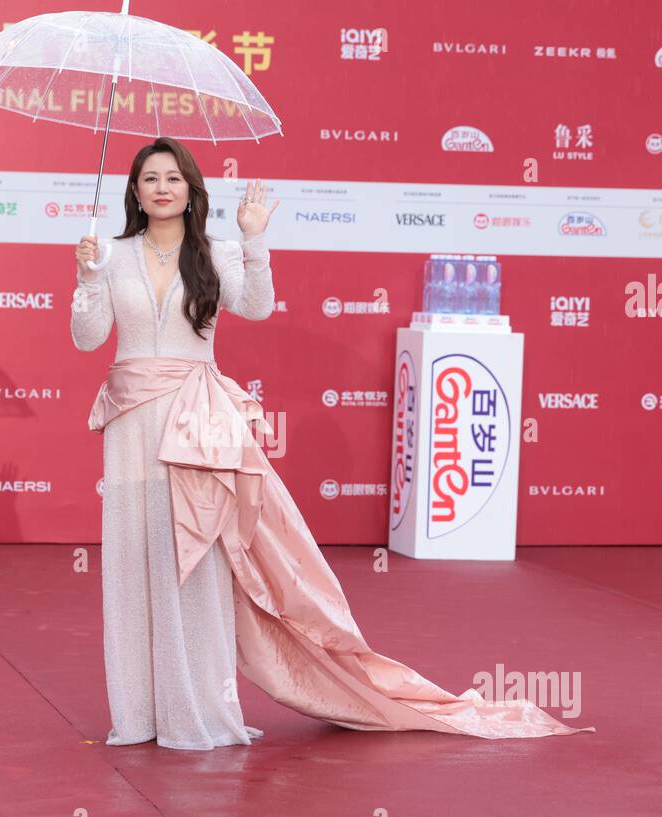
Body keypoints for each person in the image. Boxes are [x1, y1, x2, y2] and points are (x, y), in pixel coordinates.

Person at [71, 137, 595, 750]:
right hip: (131, 423)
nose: (162, 188)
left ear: (191, 191)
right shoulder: (108, 254)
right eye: (150, 179)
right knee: (137, 560)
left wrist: (257, 238)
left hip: (199, 420)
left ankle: (195, 713)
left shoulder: (217, 252)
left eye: (174, 178)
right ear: (133, 191)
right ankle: (139, 716)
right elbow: (88, 338)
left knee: (197, 561)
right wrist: (87, 277)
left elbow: (258, 308)